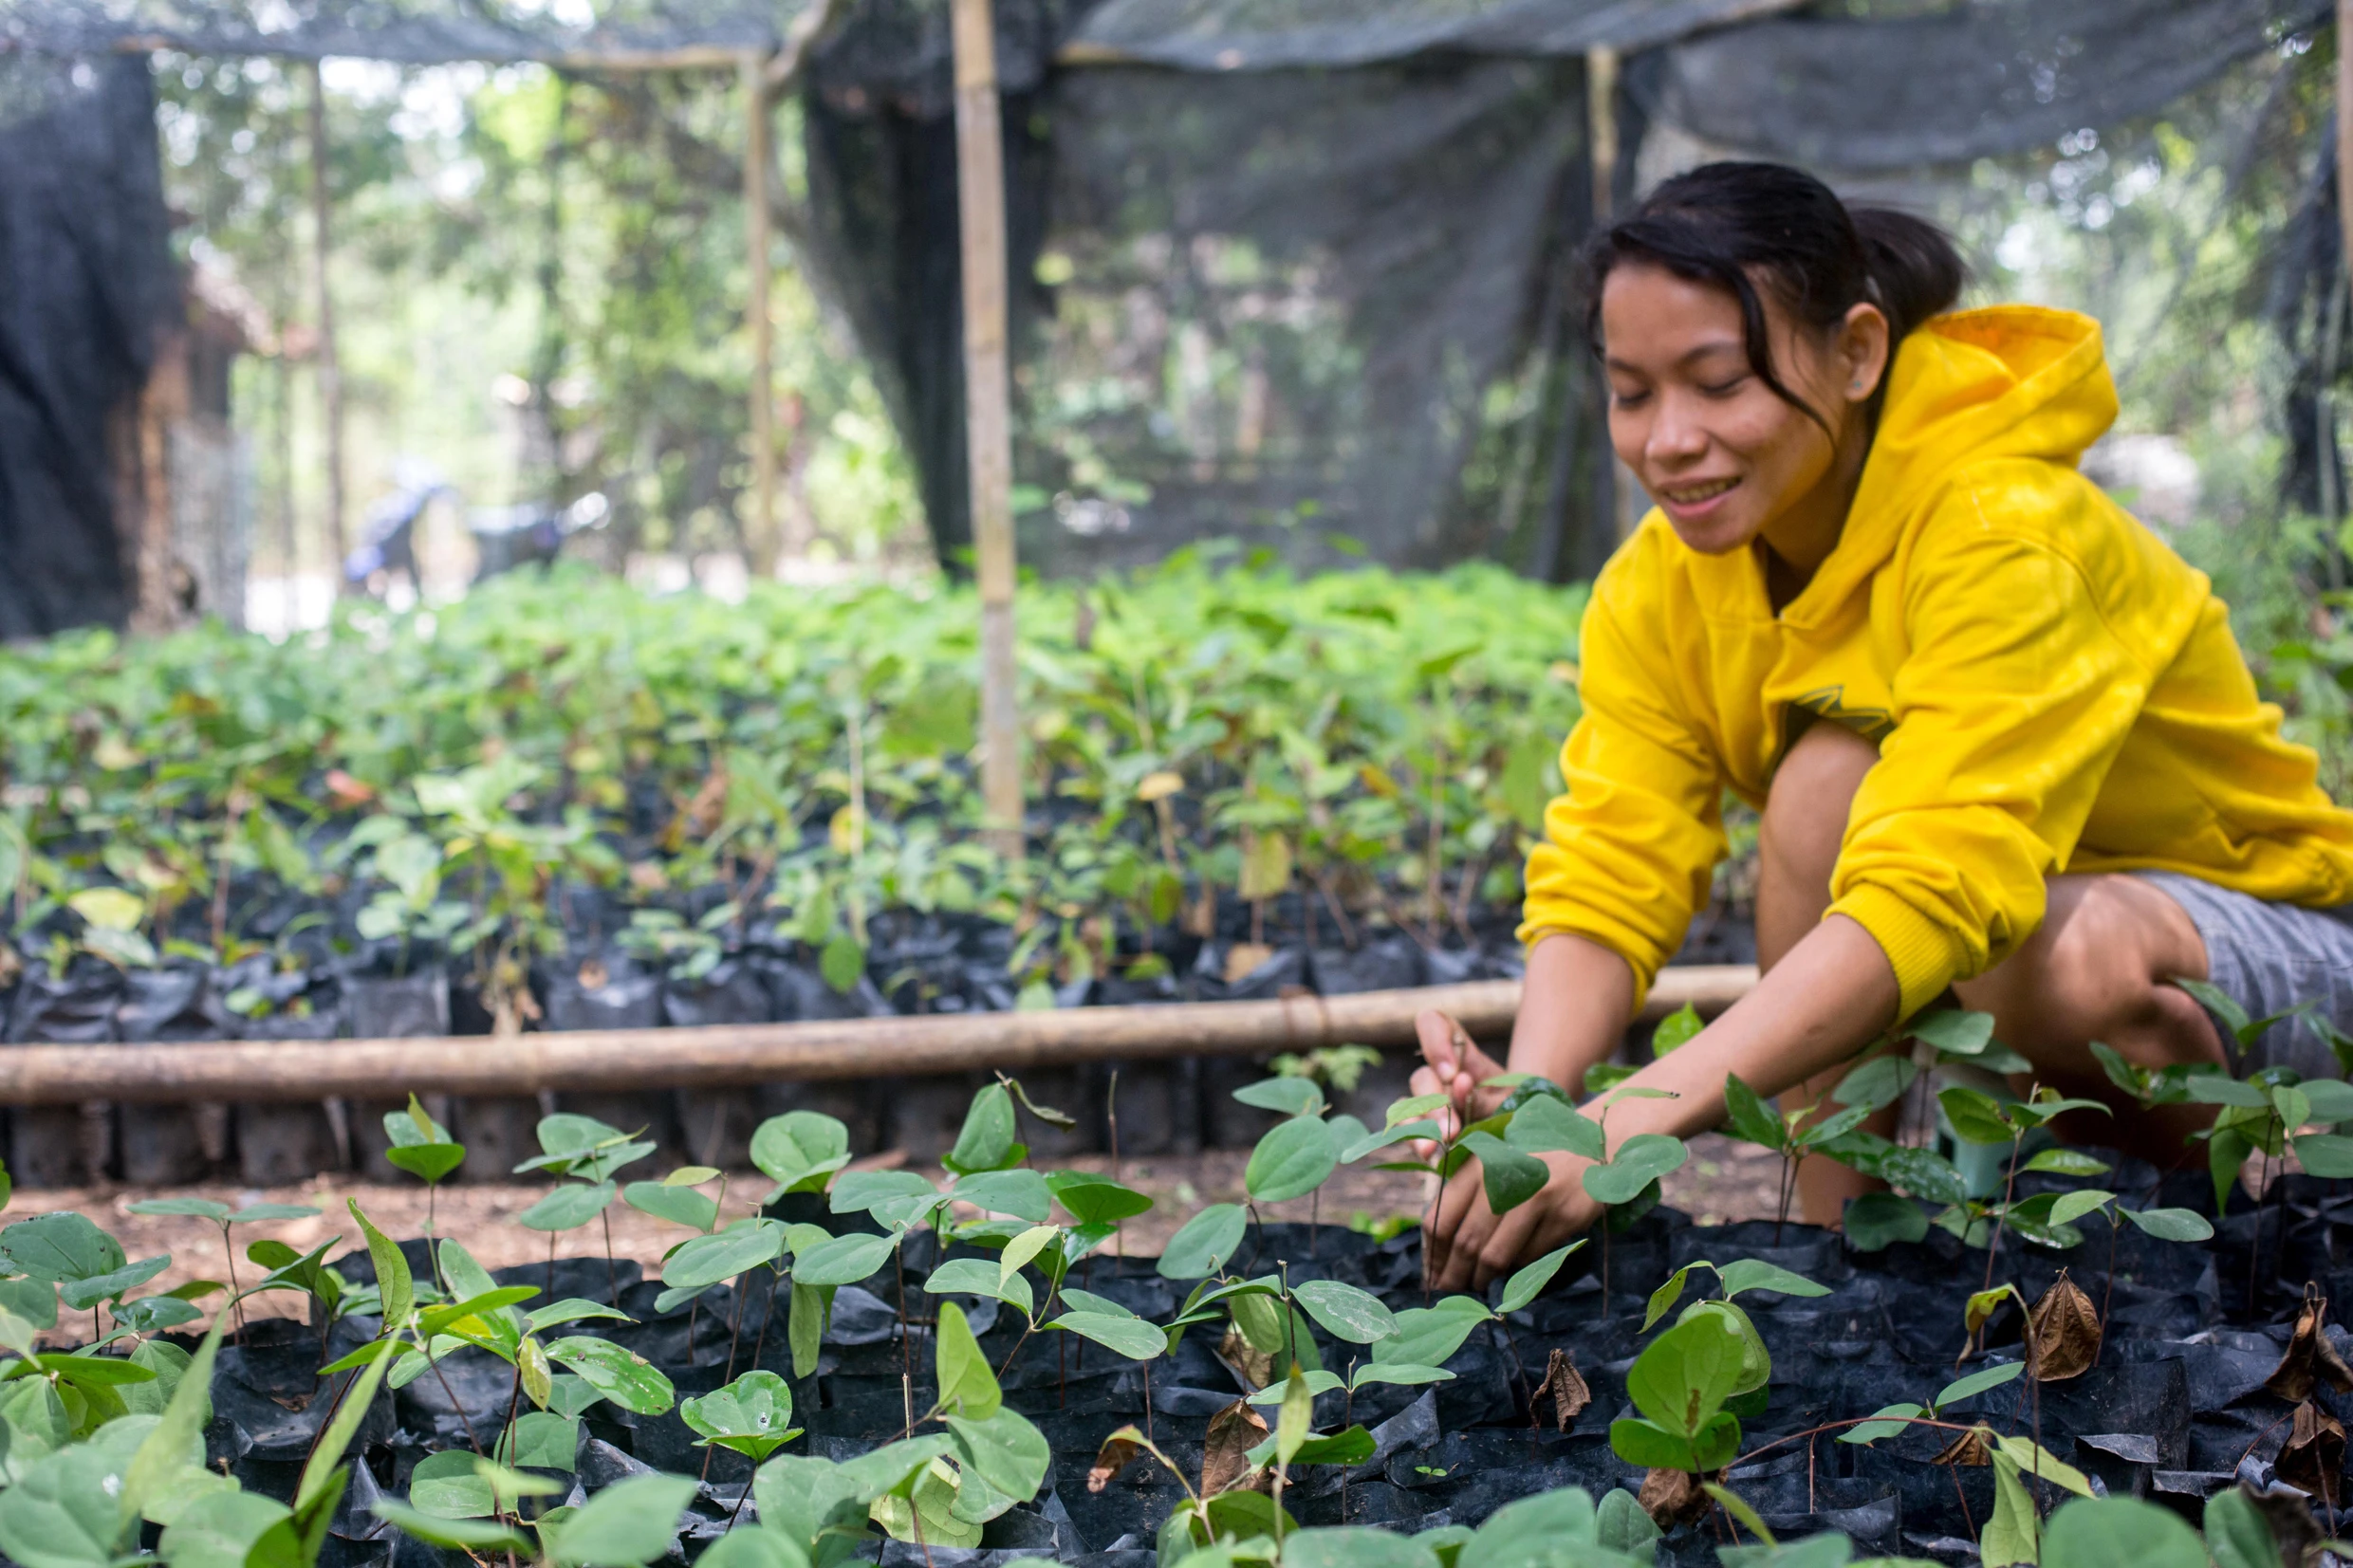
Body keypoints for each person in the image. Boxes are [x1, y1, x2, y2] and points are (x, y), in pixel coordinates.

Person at [1412, 160, 2353, 1291]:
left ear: (1855, 353)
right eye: (1630, 392)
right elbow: (1612, 861)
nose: (1667, 439)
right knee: (1824, 787)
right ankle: (1832, 1264)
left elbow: (1940, 888)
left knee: (2049, 962)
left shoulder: (2007, 531)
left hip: (2258, 950)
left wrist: (1625, 1123)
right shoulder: (1655, 587)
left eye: (1716, 383)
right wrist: (1534, 1099)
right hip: (2000, 958)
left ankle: (2226, 1258)